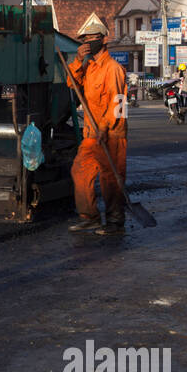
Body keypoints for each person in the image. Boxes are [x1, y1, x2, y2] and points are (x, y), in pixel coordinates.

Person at [66, 14, 129, 235]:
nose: (88, 43)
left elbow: (117, 103)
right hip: (92, 133)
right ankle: (89, 217)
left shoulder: (112, 69)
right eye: (85, 40)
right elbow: (71, 83)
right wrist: (77, 61)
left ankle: (115, 221)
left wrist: (105, 128)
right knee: (80, 171)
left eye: (93, 38)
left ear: (103, 40)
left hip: (111, 133)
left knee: (110, 178)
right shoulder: (89, 66)